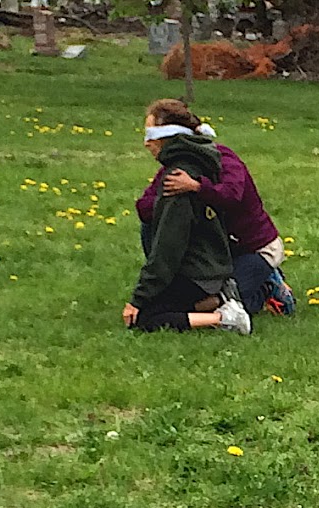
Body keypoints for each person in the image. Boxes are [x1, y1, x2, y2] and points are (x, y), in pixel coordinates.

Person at [135, 99, 294, 316]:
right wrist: (171, 205)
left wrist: (197, 188)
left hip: (252, 247)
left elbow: (232, 195)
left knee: (228, 304)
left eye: (151, 135)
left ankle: (268, 285)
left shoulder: (224, 159)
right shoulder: (174, 170)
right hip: (214, 247)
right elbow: (144, 207)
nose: (146, 143)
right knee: (152, 228)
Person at [122, 108, 251, 336]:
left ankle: (225, 319)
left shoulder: (177, 180)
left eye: (150, 135)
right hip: (209, 267)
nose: (146, 143)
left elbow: (168, 248)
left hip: (197, 272)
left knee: (146, 317)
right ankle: (218, 299)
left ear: (168, 136)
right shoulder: (196, 165)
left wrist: (138, 300)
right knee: (164, 305)